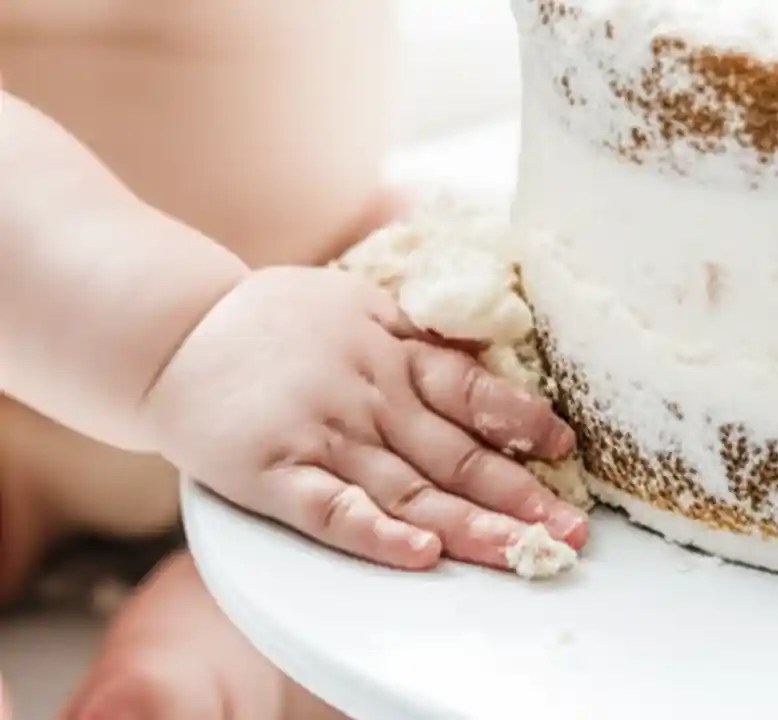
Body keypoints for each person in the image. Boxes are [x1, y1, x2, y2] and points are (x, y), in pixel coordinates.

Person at [0, 2, 588, 717]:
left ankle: (226, 636)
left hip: (328, 336)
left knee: (494, 449)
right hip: (75, 342)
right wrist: (184, 330)